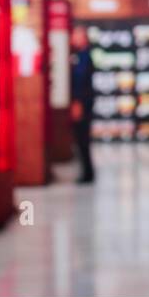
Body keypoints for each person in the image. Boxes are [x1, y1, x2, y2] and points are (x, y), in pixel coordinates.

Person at [68, 25, 95, 184]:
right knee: (81, 139)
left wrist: (78, 103)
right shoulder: (79, 55)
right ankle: (86, 171)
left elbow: (80, 81)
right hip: (83, 102)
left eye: (76, 35)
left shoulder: (84, 57)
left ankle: (87, 173)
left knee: (83, 138)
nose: (73, 38)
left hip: (83, 103)